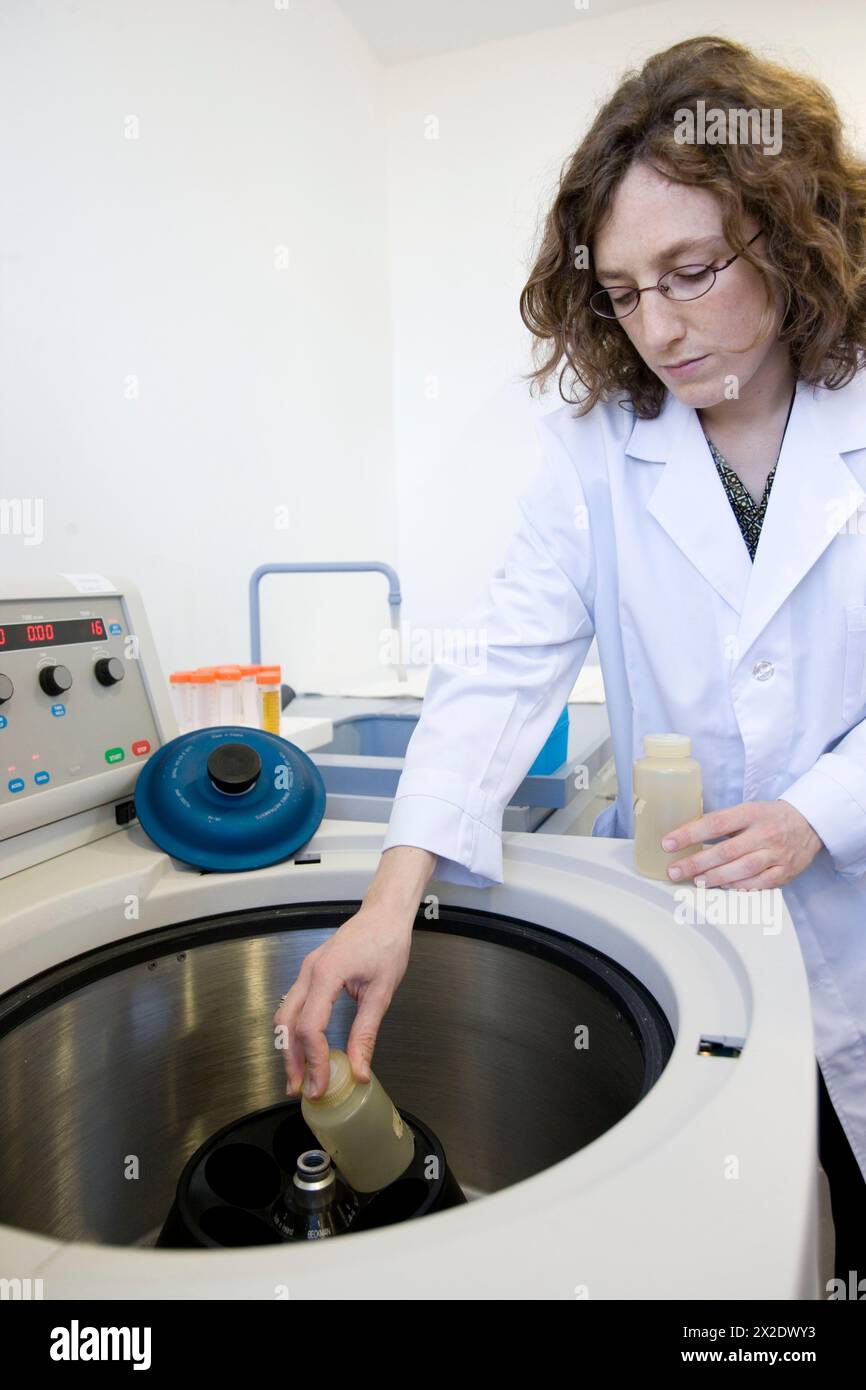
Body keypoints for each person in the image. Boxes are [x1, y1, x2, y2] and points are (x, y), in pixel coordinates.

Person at [274, 35, 866, 1283]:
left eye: (690, 271)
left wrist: (819, 811)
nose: (655, 325)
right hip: (710, 943)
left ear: (793, 230)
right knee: (759, 1238)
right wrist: (391, 898)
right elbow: (499, 667)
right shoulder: (598, 446)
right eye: (620, 289)